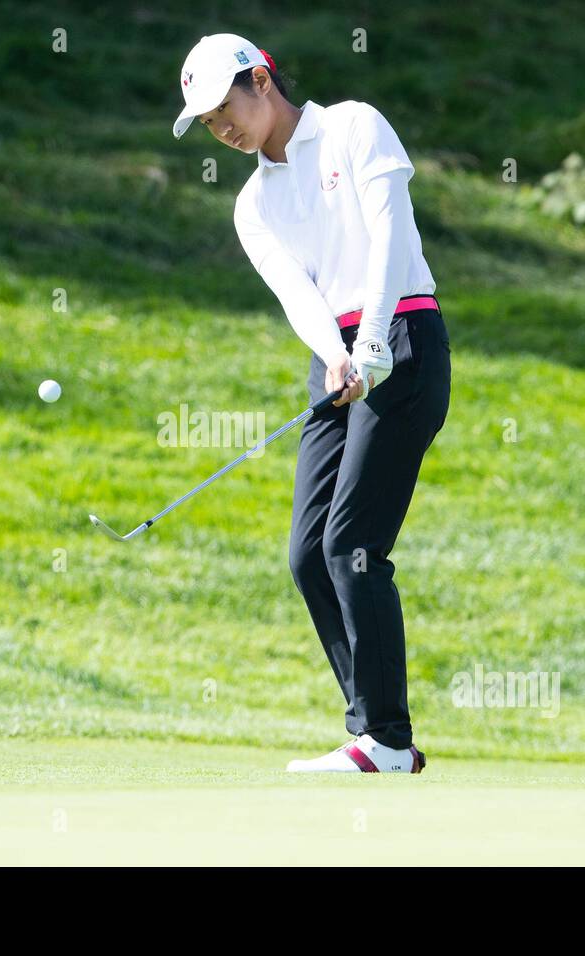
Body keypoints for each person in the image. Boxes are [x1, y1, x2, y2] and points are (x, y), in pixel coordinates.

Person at [173, 34, 451, 773]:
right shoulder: (252, 203)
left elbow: (391, 233)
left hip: (406, 336)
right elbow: (298, 293)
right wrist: (336, 354)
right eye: (205, 122)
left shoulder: (356, 126)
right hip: (337, 356)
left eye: (223, 108)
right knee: (307, 554)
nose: (219, 128)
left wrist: (378, 338)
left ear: (260, 80)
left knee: (351, 545)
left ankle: (386, 739)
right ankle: (377, 734)